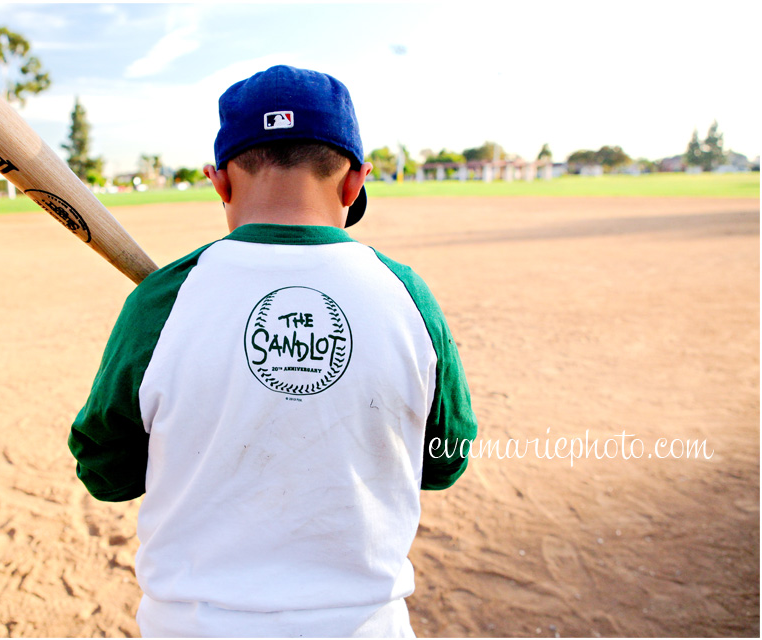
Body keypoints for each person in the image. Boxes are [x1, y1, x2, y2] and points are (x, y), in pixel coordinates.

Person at [68, 64, 477, 637]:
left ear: (220, 182)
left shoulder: (162, 303)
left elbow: (106, 471)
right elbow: (445, 459)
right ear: (355, 183)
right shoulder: (407, 296)